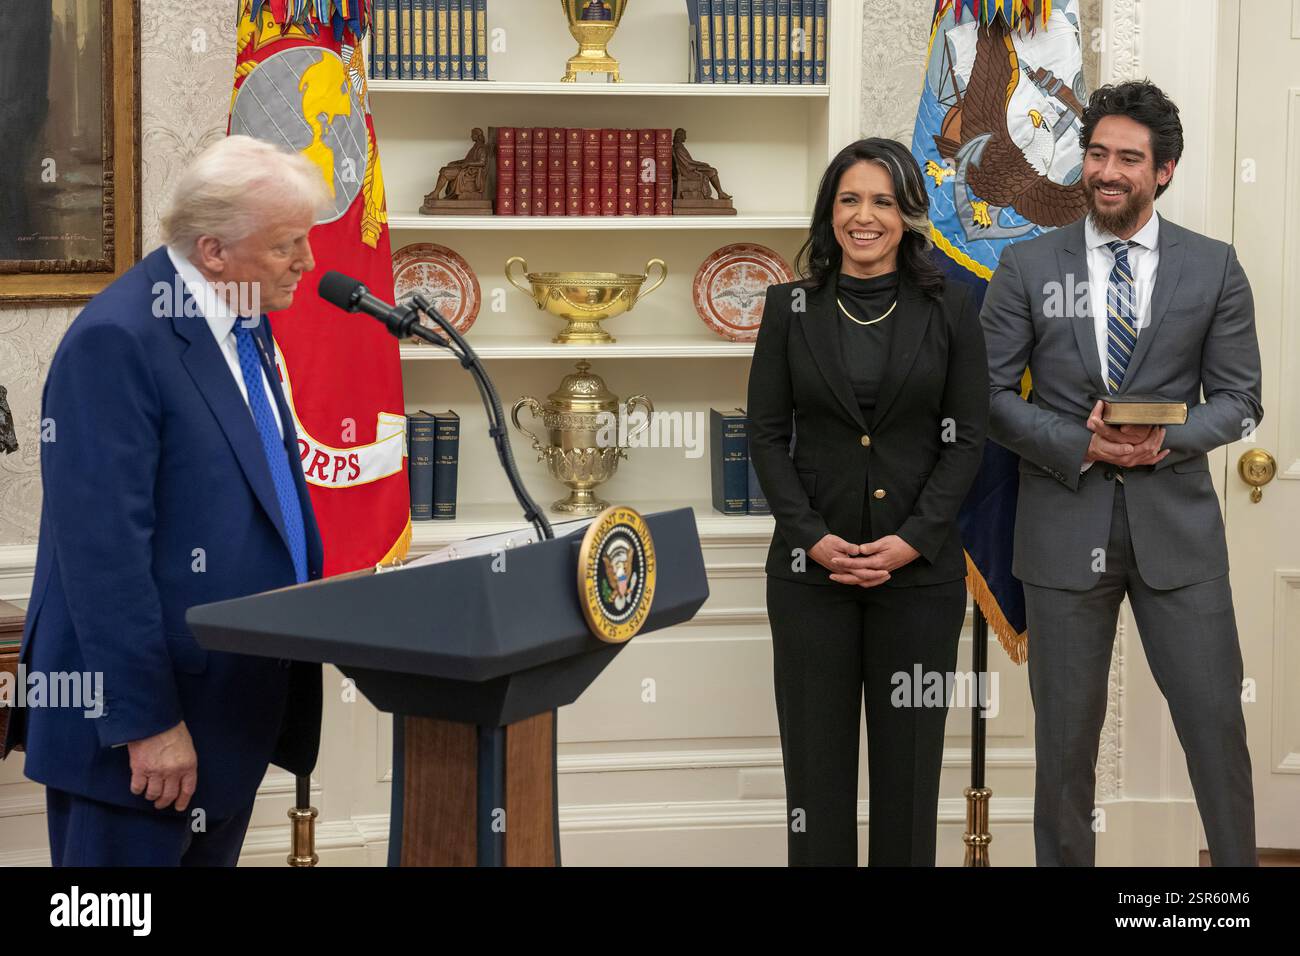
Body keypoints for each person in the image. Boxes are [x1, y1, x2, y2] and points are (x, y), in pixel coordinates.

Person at [2, 135, 329, 866]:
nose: (307, 264)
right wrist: (148, 725)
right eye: (288, 246)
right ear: (213, 251)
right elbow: (101, 558)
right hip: (144, 737)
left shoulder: (242, 324)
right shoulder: (118, 340)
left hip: (228, 716)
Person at [980, 81, 1261, 866]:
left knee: (1215, 725)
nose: (1108, 170)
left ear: (1162, 171)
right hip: (1063, 535)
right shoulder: (1028, 266)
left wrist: (1163, 443)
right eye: (1097, 153)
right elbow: (989, 398)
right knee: (1065, 745)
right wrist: (1083, 443)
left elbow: (1241, 402)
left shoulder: (1214, 268)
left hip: (1181, 538)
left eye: (1128, 158)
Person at [747, 138, 988, 865]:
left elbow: (968, 438)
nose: (864, 216)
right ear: (829, 212)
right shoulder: (788, 307)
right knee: (815, 782)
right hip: (810, 578)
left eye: (882, 201)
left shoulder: (951, 304)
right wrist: (811, 537)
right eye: (849, 199)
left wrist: (914, 538)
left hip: (919, 579)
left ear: (907, 214)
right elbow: (764, 434)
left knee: (908, 783)